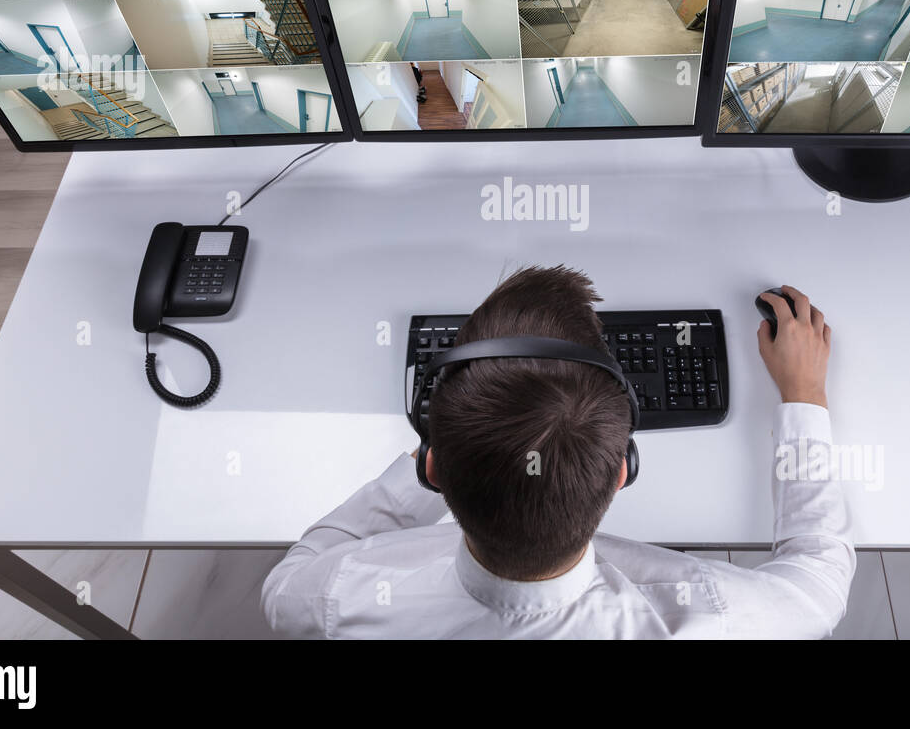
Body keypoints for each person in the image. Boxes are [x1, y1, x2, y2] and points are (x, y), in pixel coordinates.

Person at [261, 266, 854, 638]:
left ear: (429, 469)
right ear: (624, 470)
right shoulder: (704, 612)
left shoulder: (336, 599)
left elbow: (286, 583)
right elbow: (820, 584)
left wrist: (463, 439)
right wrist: (804, 394)